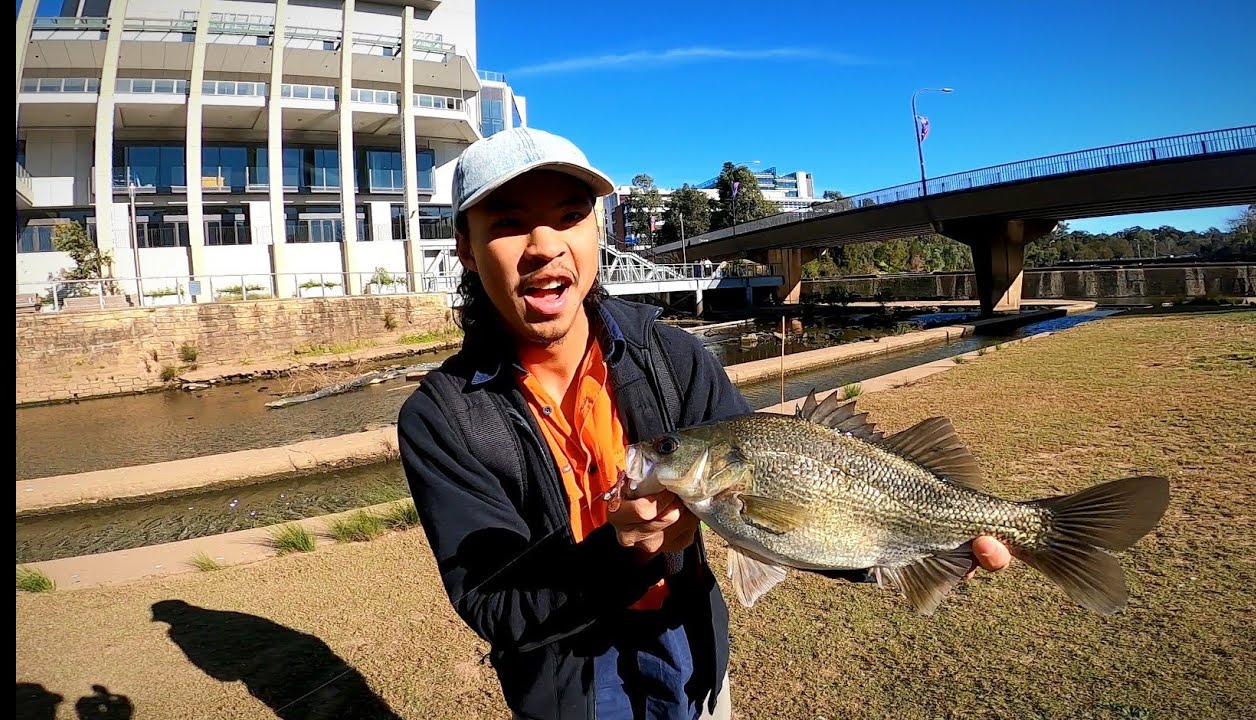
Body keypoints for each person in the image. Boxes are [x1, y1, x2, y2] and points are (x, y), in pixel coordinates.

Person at [396, 127, 1012, 720]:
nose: (544, 244)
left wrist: (898, 554)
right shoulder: (440, 420)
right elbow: (491, 601)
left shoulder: (675, 358)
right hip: (565, 677)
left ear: (598, 229)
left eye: (569, 215)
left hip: (688, 647)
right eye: (506, 223)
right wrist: (620, 555)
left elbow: (787, 501)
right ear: (466, 249)